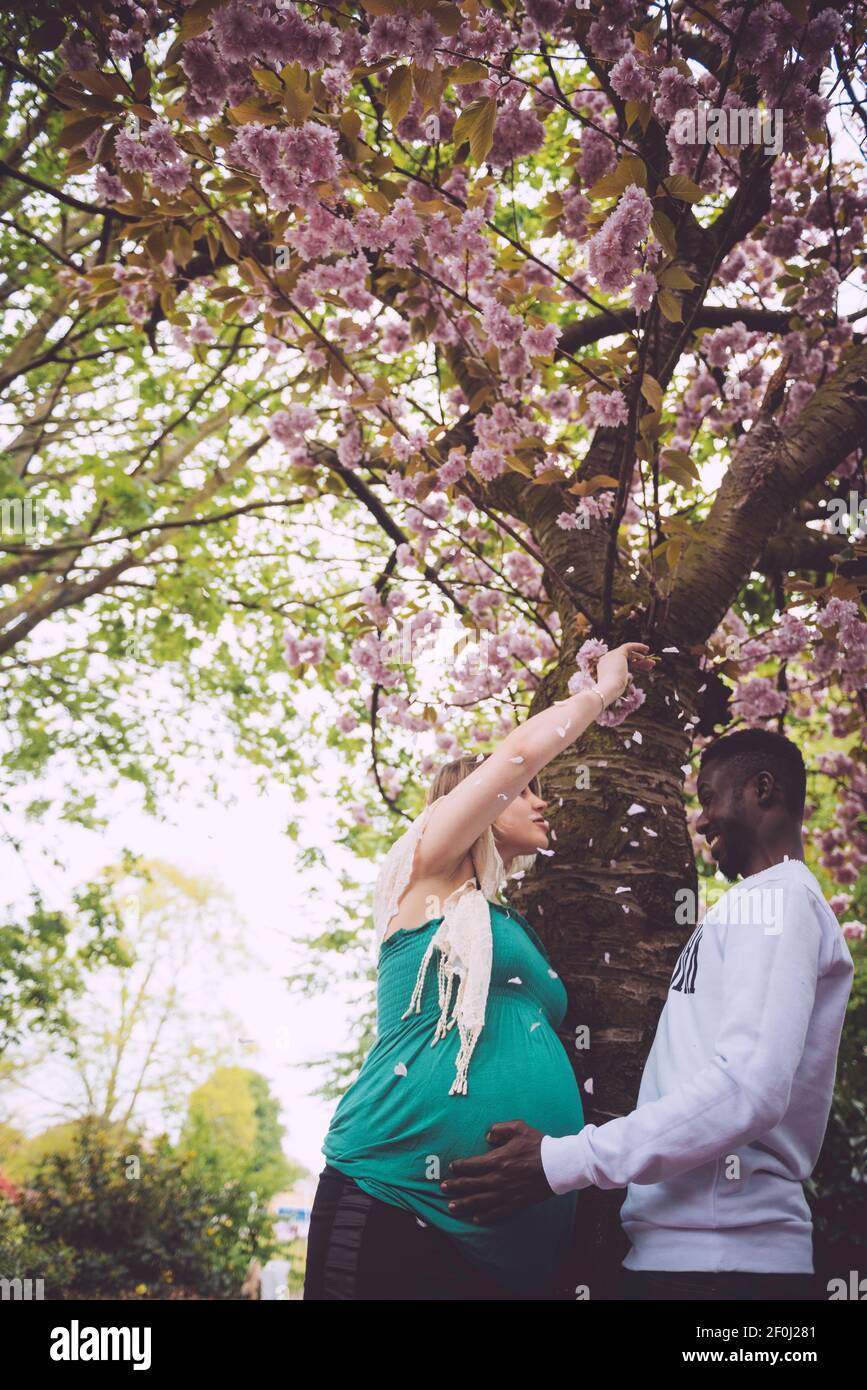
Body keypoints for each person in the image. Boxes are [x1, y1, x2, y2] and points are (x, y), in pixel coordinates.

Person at [443, 728, 854, 1302]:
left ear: (763, 791)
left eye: (709, 798)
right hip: (688, 1258)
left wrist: (565, 1160)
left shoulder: (778, 900)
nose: (701, 821)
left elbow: (747, 1088)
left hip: (722, 1267)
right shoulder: (758, 903)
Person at [302, 641, 653, 1300]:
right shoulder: (425, 877)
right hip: (395, 1203)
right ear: (477, 808)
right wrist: (603, 692)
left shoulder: (506, 923)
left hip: (512, 1252)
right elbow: (518, 750)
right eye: (523, 793)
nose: (540, 802)